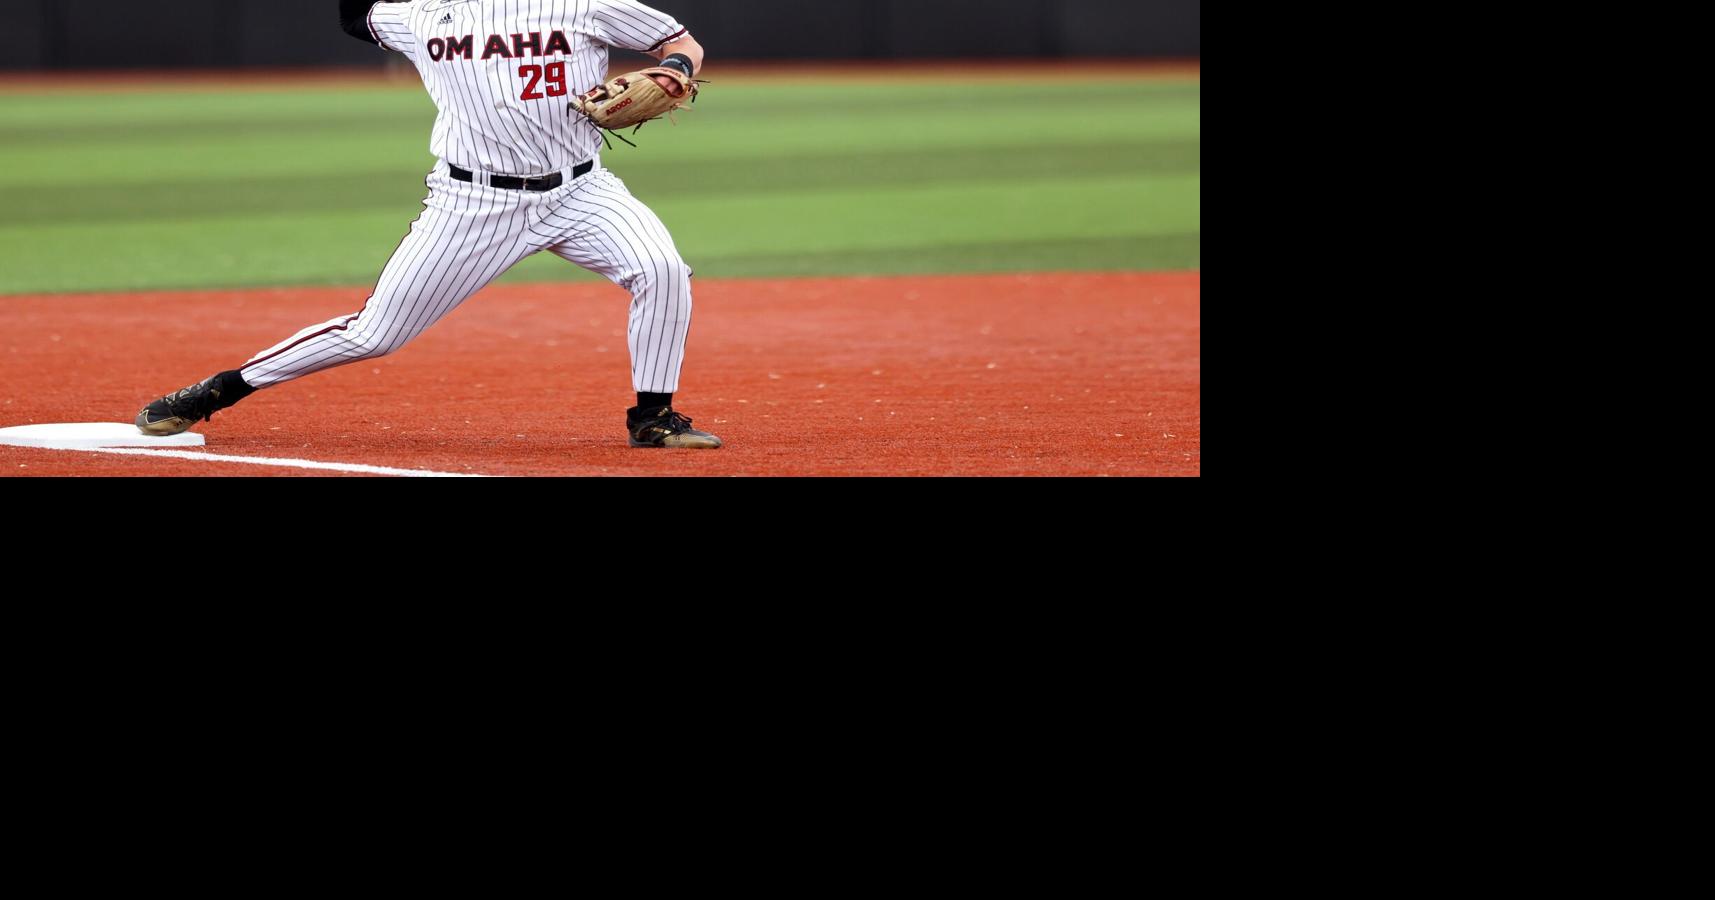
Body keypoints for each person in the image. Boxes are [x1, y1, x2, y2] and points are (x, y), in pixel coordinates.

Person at [136, 0, 720, 449]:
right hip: (471, 205)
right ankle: (220, 389)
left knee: (662, 270)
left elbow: (680, 41)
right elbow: (354, 16)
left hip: (582, 188)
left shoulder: (582, 5)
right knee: (374, 335)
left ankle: (653, 417)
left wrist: (671, 69)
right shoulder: (419, 16)